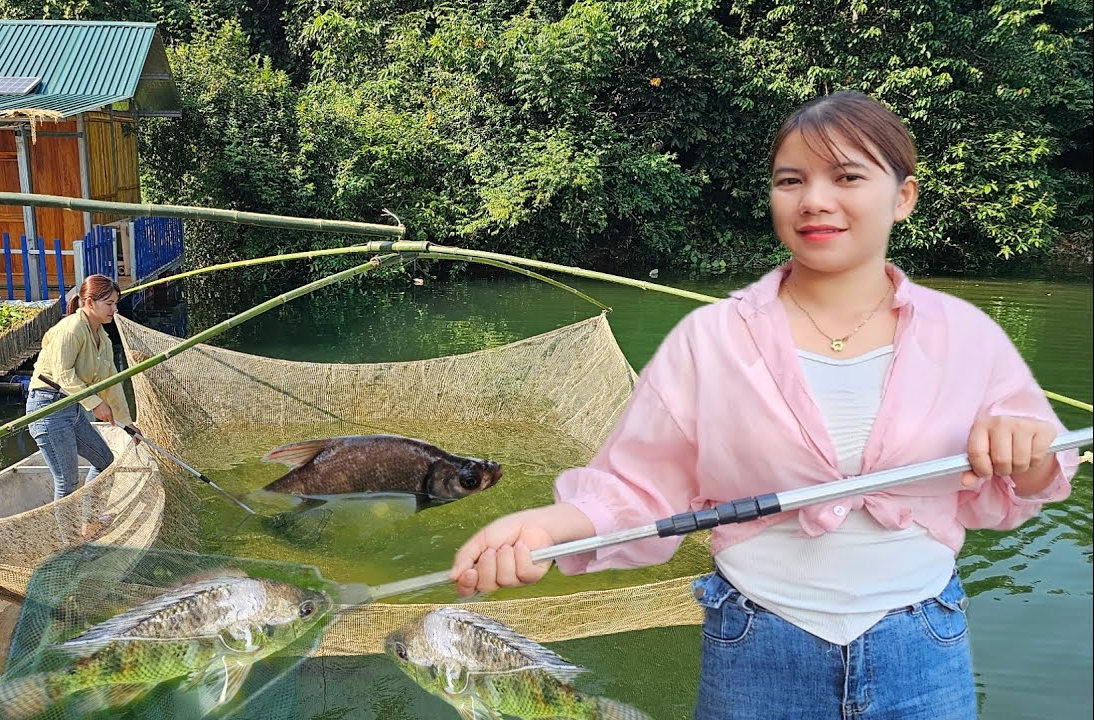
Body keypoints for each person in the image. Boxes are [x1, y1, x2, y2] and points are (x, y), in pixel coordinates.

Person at [449, 92, 1079, 720]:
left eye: (849, 177)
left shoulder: (966, 336)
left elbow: (1029, 478)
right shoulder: (711, 338)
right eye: (791, 180)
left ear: (903, 197)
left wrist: (1021, 452)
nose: (814, 200)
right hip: (756, 644)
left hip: (923, 643)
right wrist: (547, 529)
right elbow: (640, 490)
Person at [26, 274, 139, 540]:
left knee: (104, 461)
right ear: (89, 302)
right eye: (109, 303)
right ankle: (69, 541)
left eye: (115, 303)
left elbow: (112, 381)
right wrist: (95, 404)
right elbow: (63, 375)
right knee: (67, 480)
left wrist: (126, 423)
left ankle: (89, 521)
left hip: (72, 409)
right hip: (48, 408)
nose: (115, 309)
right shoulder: (71, 329)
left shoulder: (102, 337)